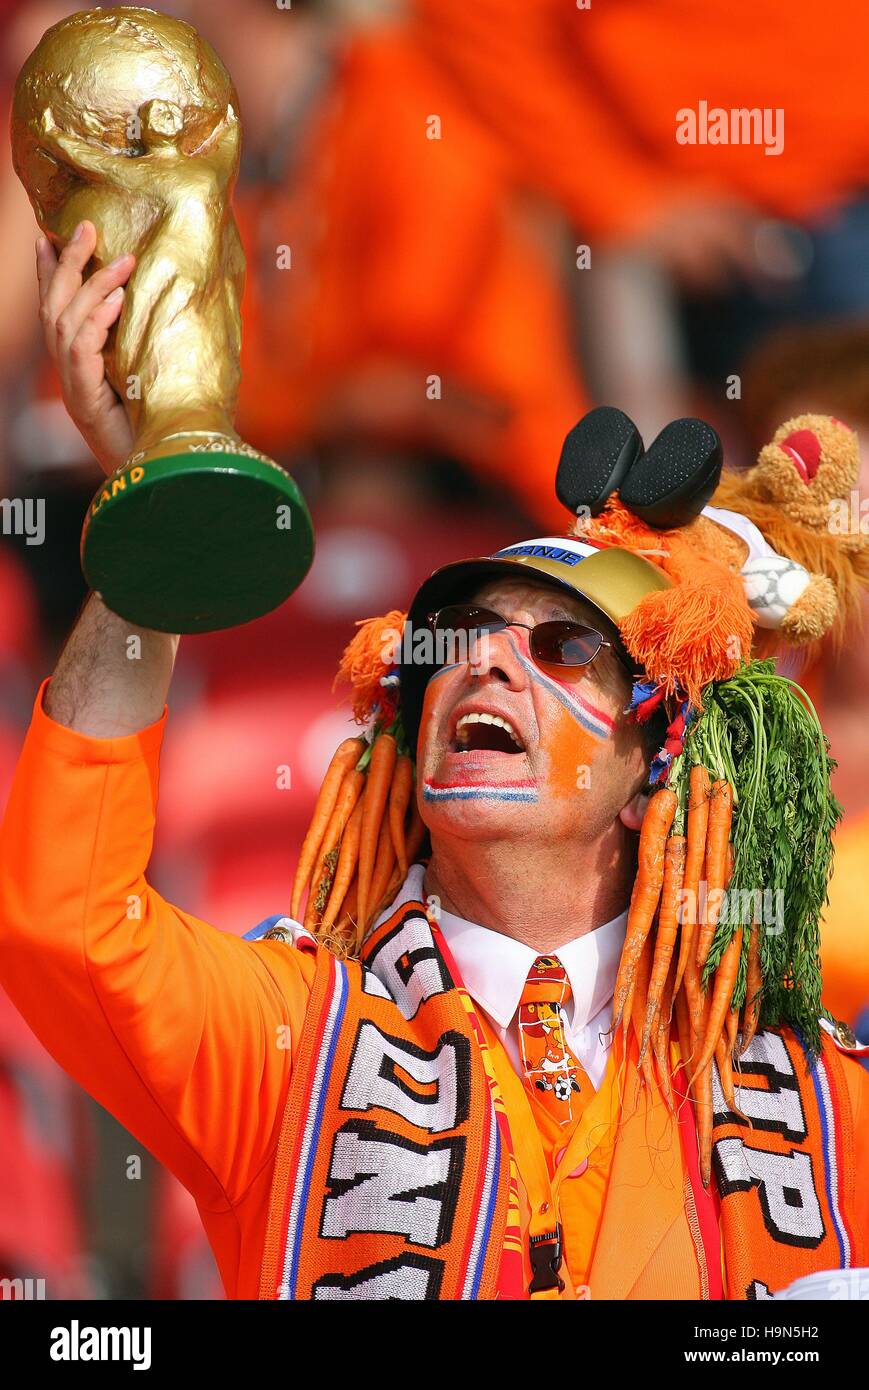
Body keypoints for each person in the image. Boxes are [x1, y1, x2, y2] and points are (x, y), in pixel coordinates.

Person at [0, 225, 866, 1302]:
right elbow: (67, 920)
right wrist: (166, 520)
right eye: (454, 640)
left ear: (657, 770)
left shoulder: (821, 1100)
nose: (486, 663)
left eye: (559, 648)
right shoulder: (287, 1042)